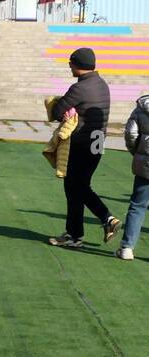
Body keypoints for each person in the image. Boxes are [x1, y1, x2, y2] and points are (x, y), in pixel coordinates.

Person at [47, 47, 119, 249]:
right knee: (80, 186)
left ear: (78, 65)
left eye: (71, 62)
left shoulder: (79, 88)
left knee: (74, 187)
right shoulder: (102, 84)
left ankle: (91, 226)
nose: (69, 65)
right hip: (97, 142)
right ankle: (81, 231)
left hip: (81, 144)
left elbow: (57, 111)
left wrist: (56, 105)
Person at [116, 94, 149, 261]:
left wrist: (136, 153)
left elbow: (131, 134)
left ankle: (127, 247)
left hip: (146, 163)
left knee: (138, 206)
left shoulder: (141, 108)